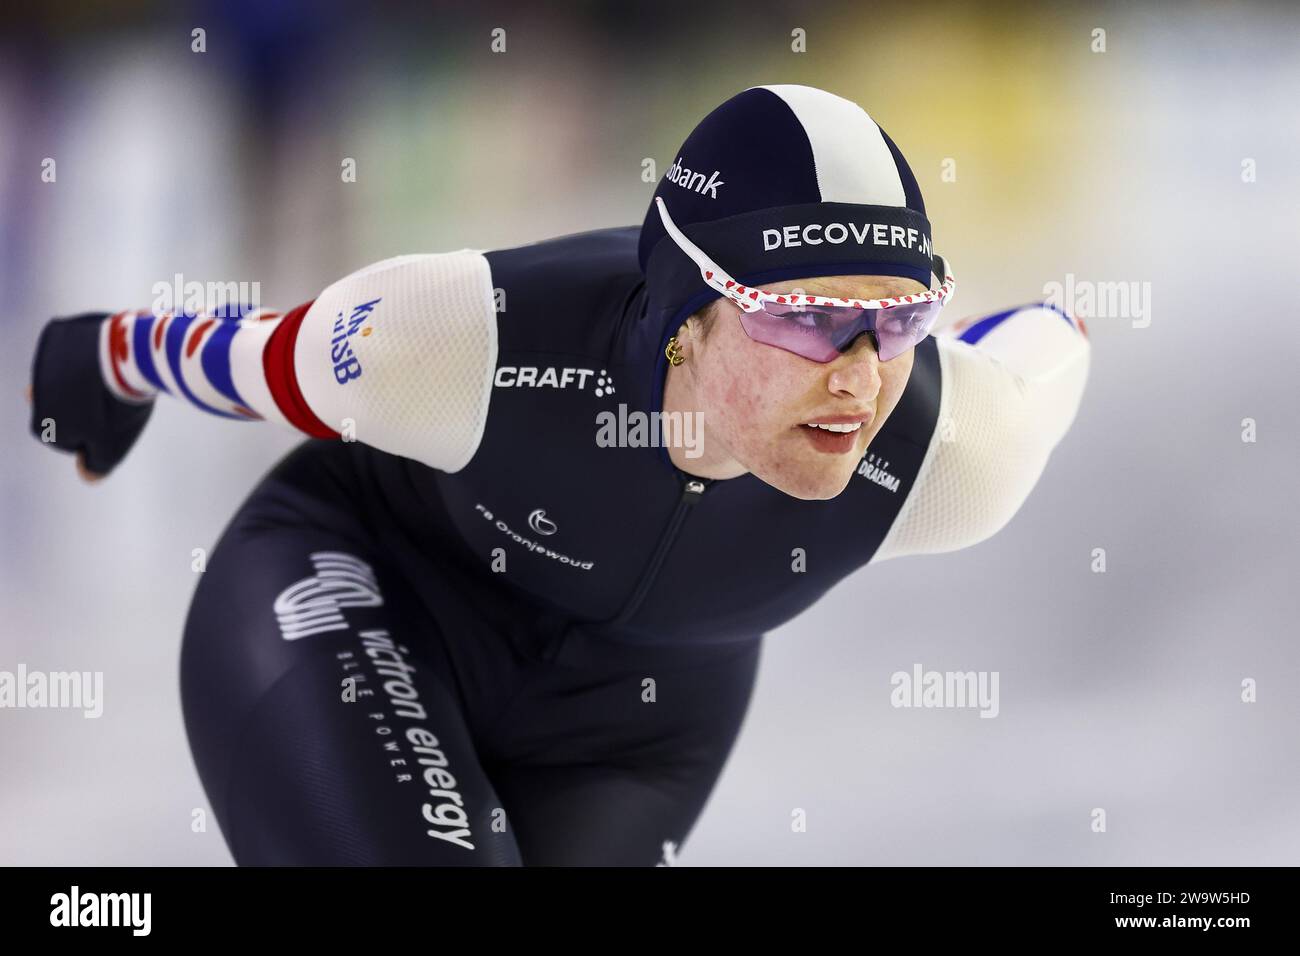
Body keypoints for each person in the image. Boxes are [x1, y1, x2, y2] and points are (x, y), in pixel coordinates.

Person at [26, 84, 1090, 865]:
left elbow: (1040, 346)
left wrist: (1001, 330)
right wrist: (109, 354)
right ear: (685, 316)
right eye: (809, 318)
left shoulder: (956, 452)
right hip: (378, 593)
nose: (862, 378)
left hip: (640, 711)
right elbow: (261, 356)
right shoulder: (454, 342)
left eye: (899, 316)